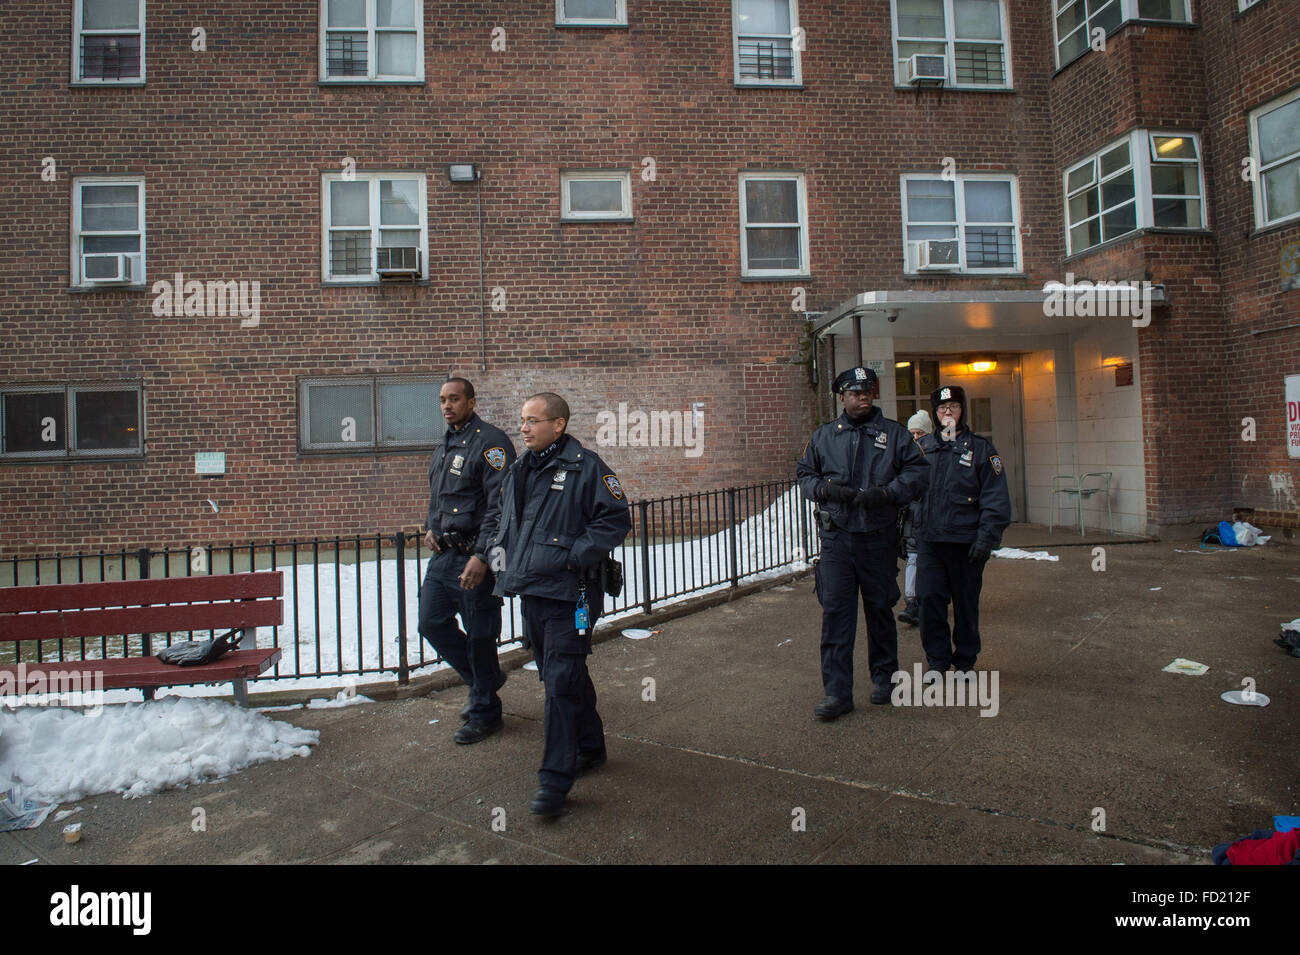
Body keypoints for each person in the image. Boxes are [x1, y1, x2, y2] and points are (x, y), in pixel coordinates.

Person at [486, 392, 632, 817]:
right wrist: (498, 564)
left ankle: (554, 781)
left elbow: (615, 518)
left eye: (533, 420)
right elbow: (504, 522)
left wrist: (573, 555)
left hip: (573, 593)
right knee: (558, 674)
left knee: (561, 682)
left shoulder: (588, 469)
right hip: (532, 591)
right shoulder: (517, 471)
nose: (524, 428)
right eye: (522, 421)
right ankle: (590, 746)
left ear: (559, 425)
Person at [796, 366, 929, 720]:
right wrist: (823, 489)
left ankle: (885, 679)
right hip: (837, 541)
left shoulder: (896, 435)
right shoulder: (824, 437)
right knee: (837, 616)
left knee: (880, 612)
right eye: (855, 393)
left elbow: (917, 473)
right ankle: (837, 693)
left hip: (877, 539)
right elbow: (805, 474)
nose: (863, 397)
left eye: (868, 391)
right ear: (842, 397)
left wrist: (888, 493)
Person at [417, 378, 517, 745]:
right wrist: (429, 527)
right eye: (442, 399)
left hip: (477, 556)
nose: (447, 405)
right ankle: (485, 682)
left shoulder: (491, 442)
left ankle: (485, 714)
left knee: (479, 636)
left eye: (454, 399)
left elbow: (501, 506)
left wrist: (482, 556)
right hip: (444, 555)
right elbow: (438, 496)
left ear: (471, 402)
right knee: (430, 622)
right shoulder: (444, 443)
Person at [915, 384, 1011, 673]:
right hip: (930, 542)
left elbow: (996, 500)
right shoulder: (921, 449)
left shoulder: (982, 450)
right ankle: (938, 662)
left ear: (962, 410)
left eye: (953, 407)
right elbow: (906, 494)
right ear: (934, 413)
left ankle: (966, 661)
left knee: (966, 606)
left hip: (966, 545)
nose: (948, 412)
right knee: (929, 601)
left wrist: (987, 539)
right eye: (942, 408)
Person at [897, 410, 933, 627]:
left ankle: (924, 600)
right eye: (912, 433)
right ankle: (912, 602)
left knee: (923, 560)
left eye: (920, 432)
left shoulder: (933, 456)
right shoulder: (906, 458)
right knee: (913, 558)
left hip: (927, 517)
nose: (916, 438)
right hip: (912, 517)